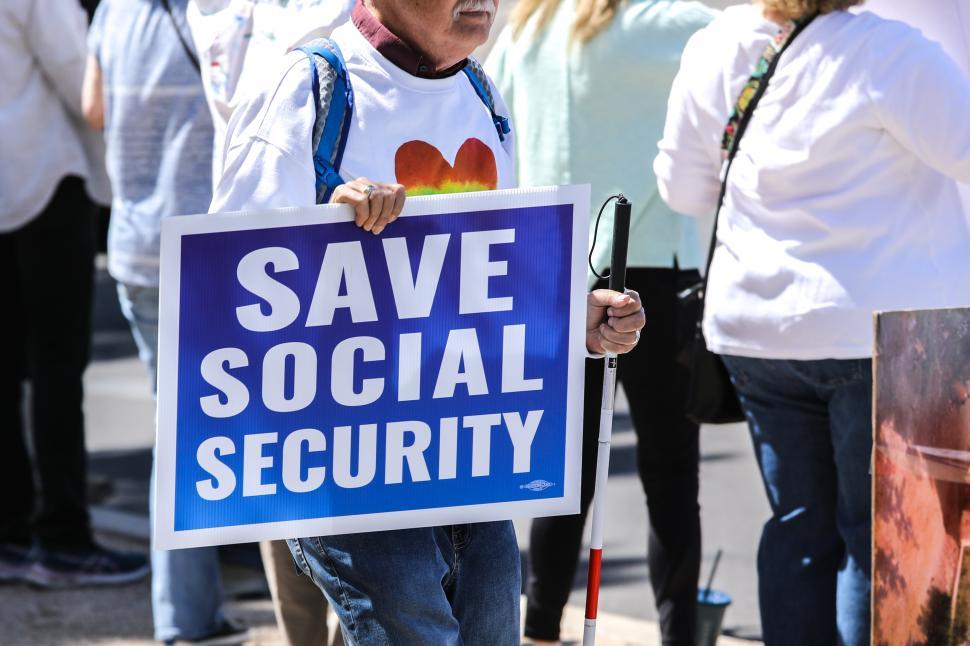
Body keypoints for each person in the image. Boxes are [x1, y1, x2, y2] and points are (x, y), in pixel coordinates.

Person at [208, 0, 647, 642]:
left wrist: (576, 322)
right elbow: (226, 281)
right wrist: (327, 213)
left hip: (466, 454)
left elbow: (490, 282)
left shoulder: (480, 90)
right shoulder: (308, 83)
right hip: (351, 460)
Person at [655, 1, 970, 644]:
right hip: (881, 333)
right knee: (875, 543)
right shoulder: (891, 52)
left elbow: (682, 190)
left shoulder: (715, 44)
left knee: (798, 529)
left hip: (757, 330)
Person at [487, 2, 716, 644]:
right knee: (671, 471)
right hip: (651, 267)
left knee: (567, 468)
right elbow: (756, 36)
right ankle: (679, 631)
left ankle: (539, 628)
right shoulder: (659, 21)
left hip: (558, 267)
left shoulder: (529, 28)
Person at [185, 3, 353, 643]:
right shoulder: (281, 29)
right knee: (300, 485)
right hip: (288, 285)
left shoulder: (231, 14)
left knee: (303, 484)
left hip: (291, 288)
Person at [82, 0, 246, 642]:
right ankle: (185, 616)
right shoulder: (221, 11)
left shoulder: (114, 11)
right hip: (202, 253)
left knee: (180, 428)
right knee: (192, 438)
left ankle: (195, 606)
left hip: (133, 246)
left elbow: (93, 107)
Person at [0, 0, 148, 589]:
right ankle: (63, 537)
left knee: (5, 371)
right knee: (59, 370)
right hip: (44, 179)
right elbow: (82, 78)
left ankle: (9, 534)